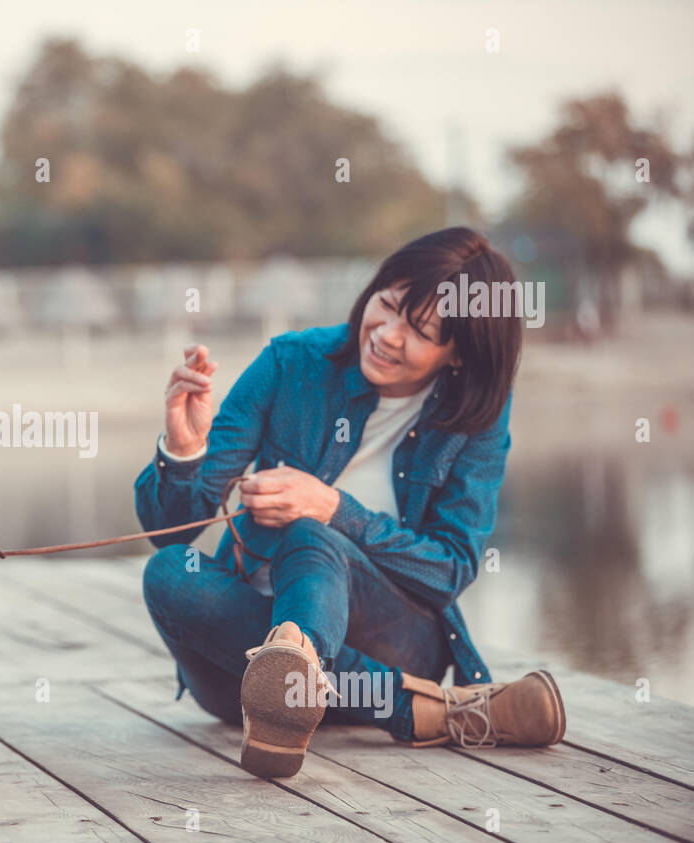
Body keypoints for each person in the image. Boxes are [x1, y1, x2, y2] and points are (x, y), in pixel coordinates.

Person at [135, 227, 566, 778]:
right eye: (385, 305)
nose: (386, 335)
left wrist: (335, 509)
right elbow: (170, 530)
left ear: (459, 355)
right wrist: (184, 447)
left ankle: (298, 670)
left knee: (311, 533)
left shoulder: (475, 419)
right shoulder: (290, 363)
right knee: (169, 571)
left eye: (421, 331)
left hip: (398, 644)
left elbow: (451, 567)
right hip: (238, 671)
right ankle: (419, 710)